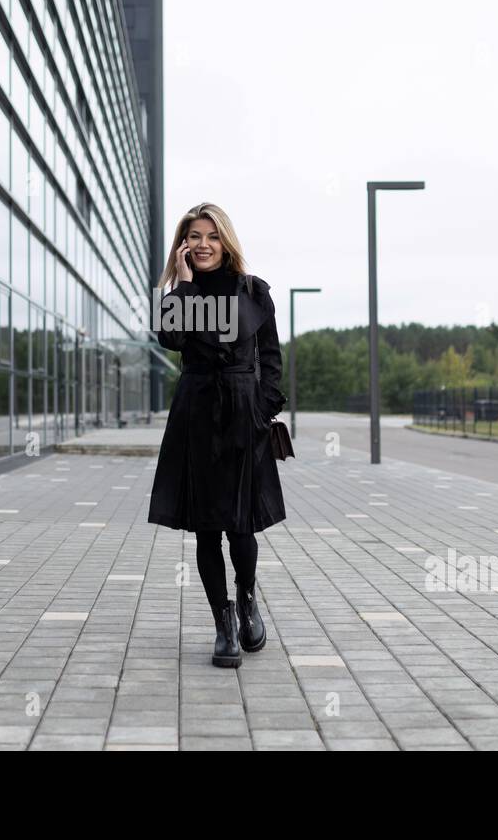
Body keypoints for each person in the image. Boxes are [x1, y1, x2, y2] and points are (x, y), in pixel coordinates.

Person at [147, 203, 287, 668]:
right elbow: (169, 340)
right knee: (206, 529)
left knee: (241, 526)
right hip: (197, 414)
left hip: (245, 414)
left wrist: (262, 411)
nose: (203, 244)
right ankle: (222, 623)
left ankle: (247, 600)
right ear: (183, 245)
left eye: (211, 235)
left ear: (225, 240)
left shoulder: (253, 291)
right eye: (193, 236)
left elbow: (272, 359)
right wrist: (184, 285)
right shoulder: (175, 295)